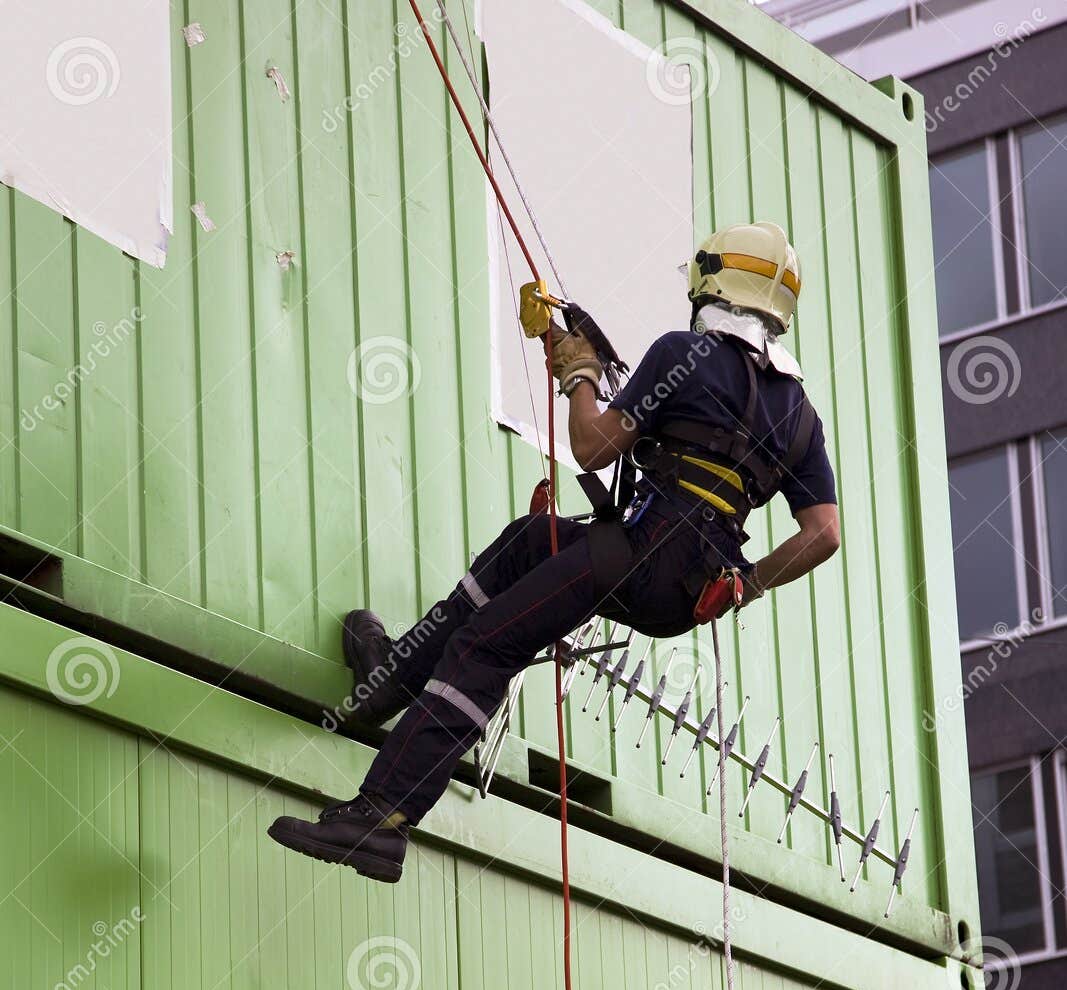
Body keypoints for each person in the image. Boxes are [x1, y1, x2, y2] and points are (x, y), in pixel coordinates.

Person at [268, 221, 839, 883]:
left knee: (485, 648)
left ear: (711, 284)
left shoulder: (681, 353)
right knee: (526, 544)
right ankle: (390, 680)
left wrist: (578, 376)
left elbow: (592, 447)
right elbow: (821, 532)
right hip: (683, 590)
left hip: (632, 556)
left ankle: (381, 818)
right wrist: (743, 584)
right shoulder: (798, 412)